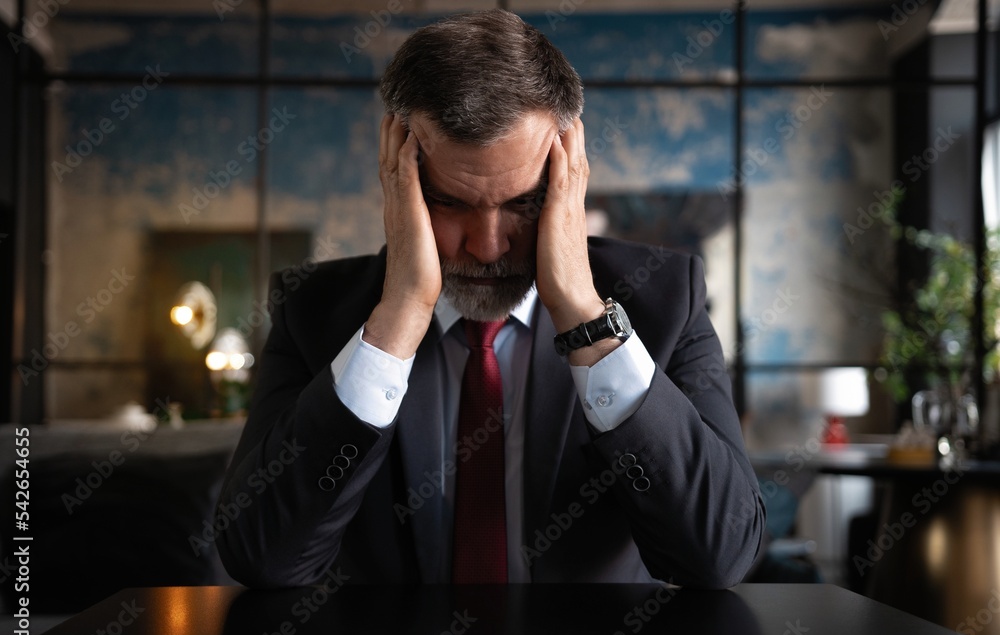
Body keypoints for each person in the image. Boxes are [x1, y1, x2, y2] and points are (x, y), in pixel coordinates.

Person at [216, 9, 764, 589]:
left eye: (523, 203)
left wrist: (583, 316)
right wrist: (398, 318)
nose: (486, 246)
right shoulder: (312, 311)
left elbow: (720, 555)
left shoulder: (666, 300)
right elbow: (262, 559)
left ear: (568, 177)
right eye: (449, 202)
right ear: (395, 177)